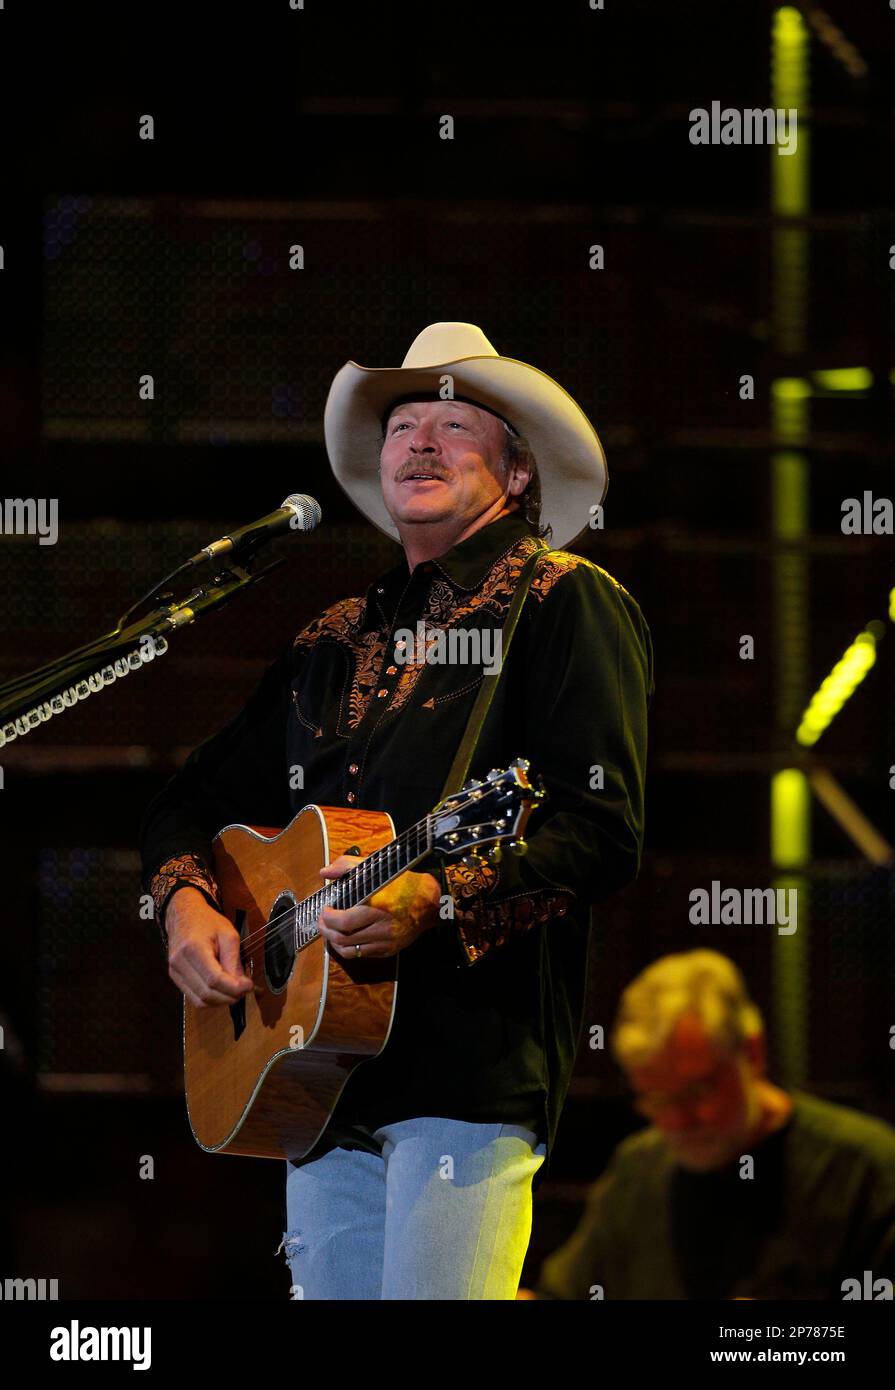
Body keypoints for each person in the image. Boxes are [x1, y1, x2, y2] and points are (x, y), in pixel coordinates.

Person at [139, 321, 653, 1300]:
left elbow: (600, 827)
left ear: (515, 473)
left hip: (464, 1073)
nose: (420, 439)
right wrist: (187, 904)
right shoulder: (329, 641)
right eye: (404, 422)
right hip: (316, 1077)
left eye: (456, 422)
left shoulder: (563, 601)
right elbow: (186, 799)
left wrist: (435, 893)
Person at [527, 950, 895, 1300]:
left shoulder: (868, 1171)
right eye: (656, 1099)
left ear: (752, 1053)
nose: (676, 1121)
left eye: (695, 1093)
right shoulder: (638, 1169)